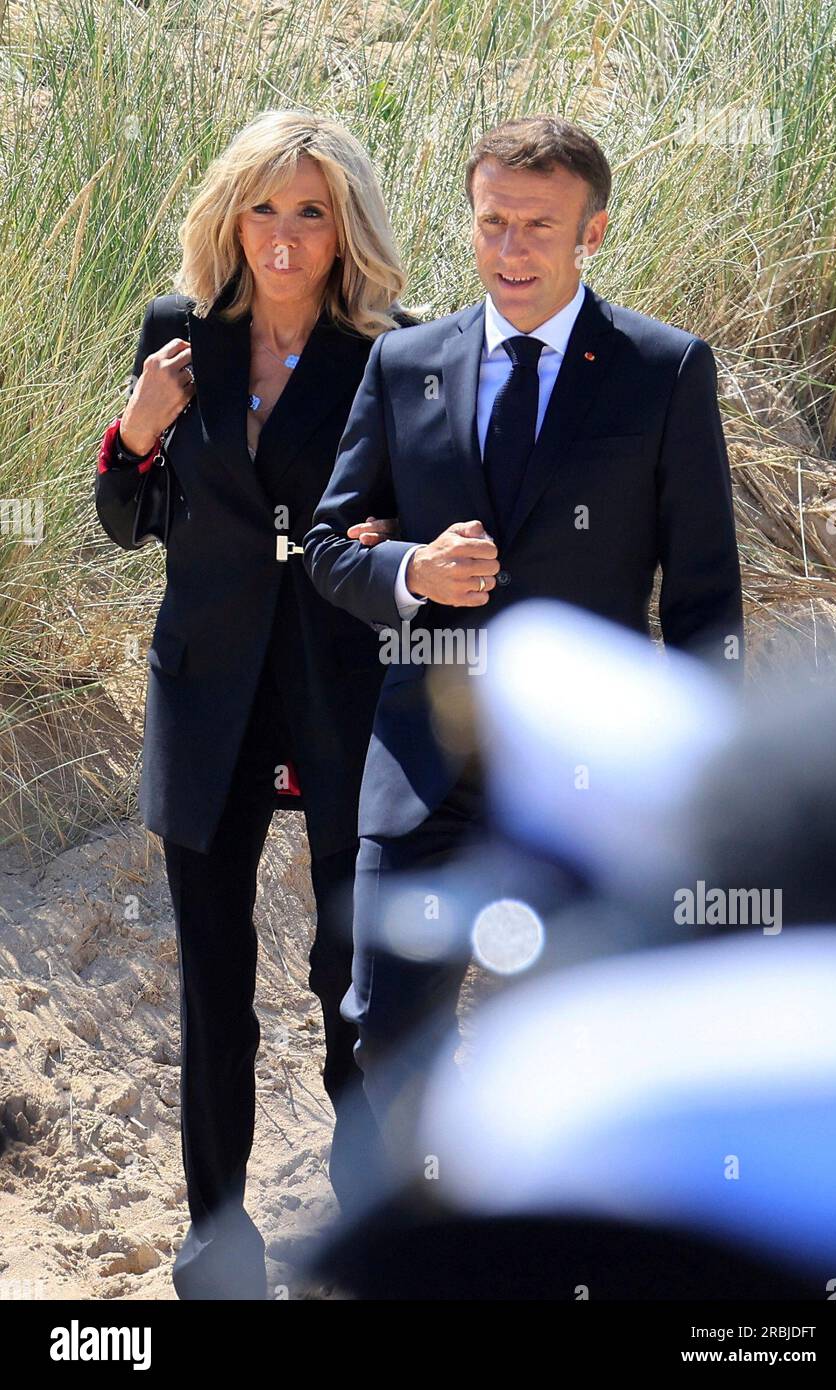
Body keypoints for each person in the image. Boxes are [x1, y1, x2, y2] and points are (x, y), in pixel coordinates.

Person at [304, 113, 744, 1156]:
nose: (508, 248)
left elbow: (701, 599)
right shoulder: (403, 363)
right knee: (385, 1035)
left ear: (590, 231)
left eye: (536, 226)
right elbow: (325, 544)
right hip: (422, 766)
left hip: (585, 776)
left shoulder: (662, 370)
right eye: (491, 220)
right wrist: (408, 569)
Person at [94, 108, 416, 1299]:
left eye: (311, 213)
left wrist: (394, 538)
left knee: (353, 987)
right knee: (215, 990)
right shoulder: (179, 338)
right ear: (232, 216)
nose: (283, 238)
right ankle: (216, 1241)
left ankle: (369, 1231)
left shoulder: (399, 349)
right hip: (209, 696)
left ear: (347, 231)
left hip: (346, 695)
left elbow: (424, 529)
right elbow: (126, 519)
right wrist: (137, 428)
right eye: (264, 209)